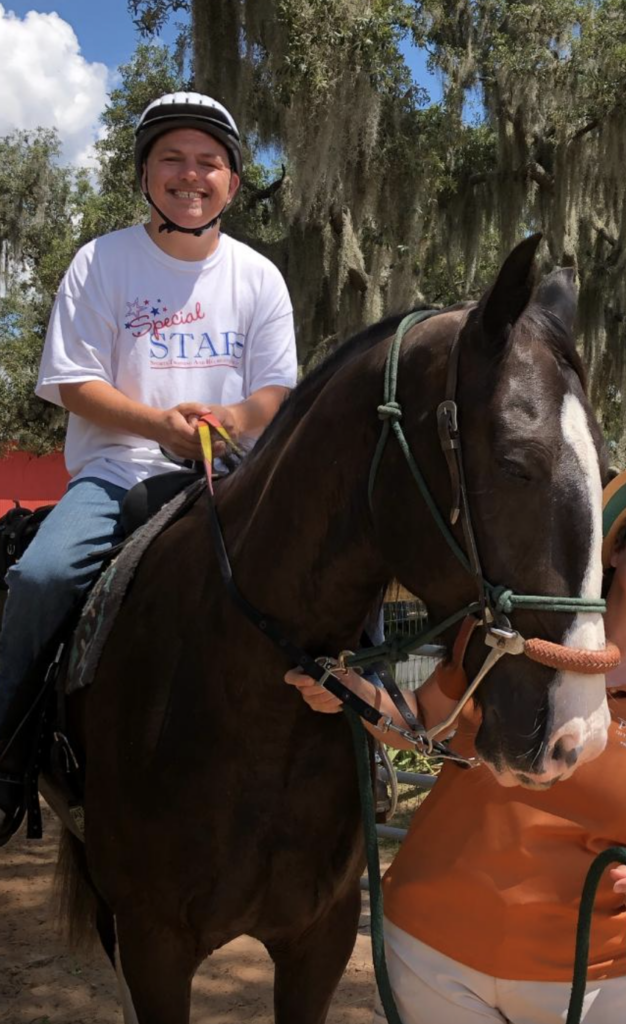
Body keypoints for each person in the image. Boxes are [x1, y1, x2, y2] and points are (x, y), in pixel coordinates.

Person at [286, 464, 626, 1024]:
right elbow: (419, 723)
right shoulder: (504, 639)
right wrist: (352, 693)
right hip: (430, 955)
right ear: (615, 549)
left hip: (585, 984)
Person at [0, 92, 297, 843]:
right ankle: (5, 749)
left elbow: (274, 391)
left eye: (209, 162)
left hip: (231, 477)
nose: (189, 175)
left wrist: (224, 421)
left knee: (331, 559)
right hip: (117, 471)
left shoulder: (258, 276)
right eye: (172, 158)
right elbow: (74, 381)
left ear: (231, 181)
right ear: (144, 174)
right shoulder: (102, 262)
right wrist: (160, 425)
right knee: (40, 577)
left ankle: (364, 742)